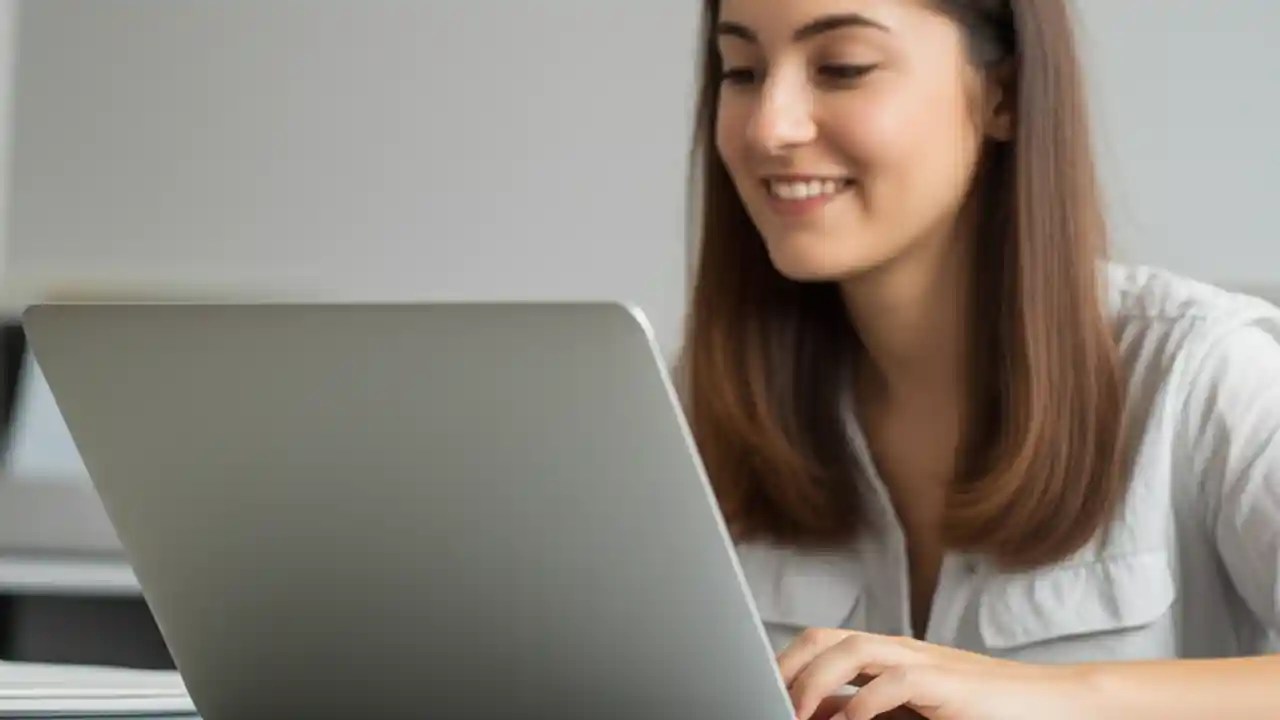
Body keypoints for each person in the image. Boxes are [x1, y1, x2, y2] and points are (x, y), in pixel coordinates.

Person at [676, 0, 1280, 718]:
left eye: (842, 68)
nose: (769, 127)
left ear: (1003, 95)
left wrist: (1050, 698)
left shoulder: (1202, 373)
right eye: (741, 72)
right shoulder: (691, 409)